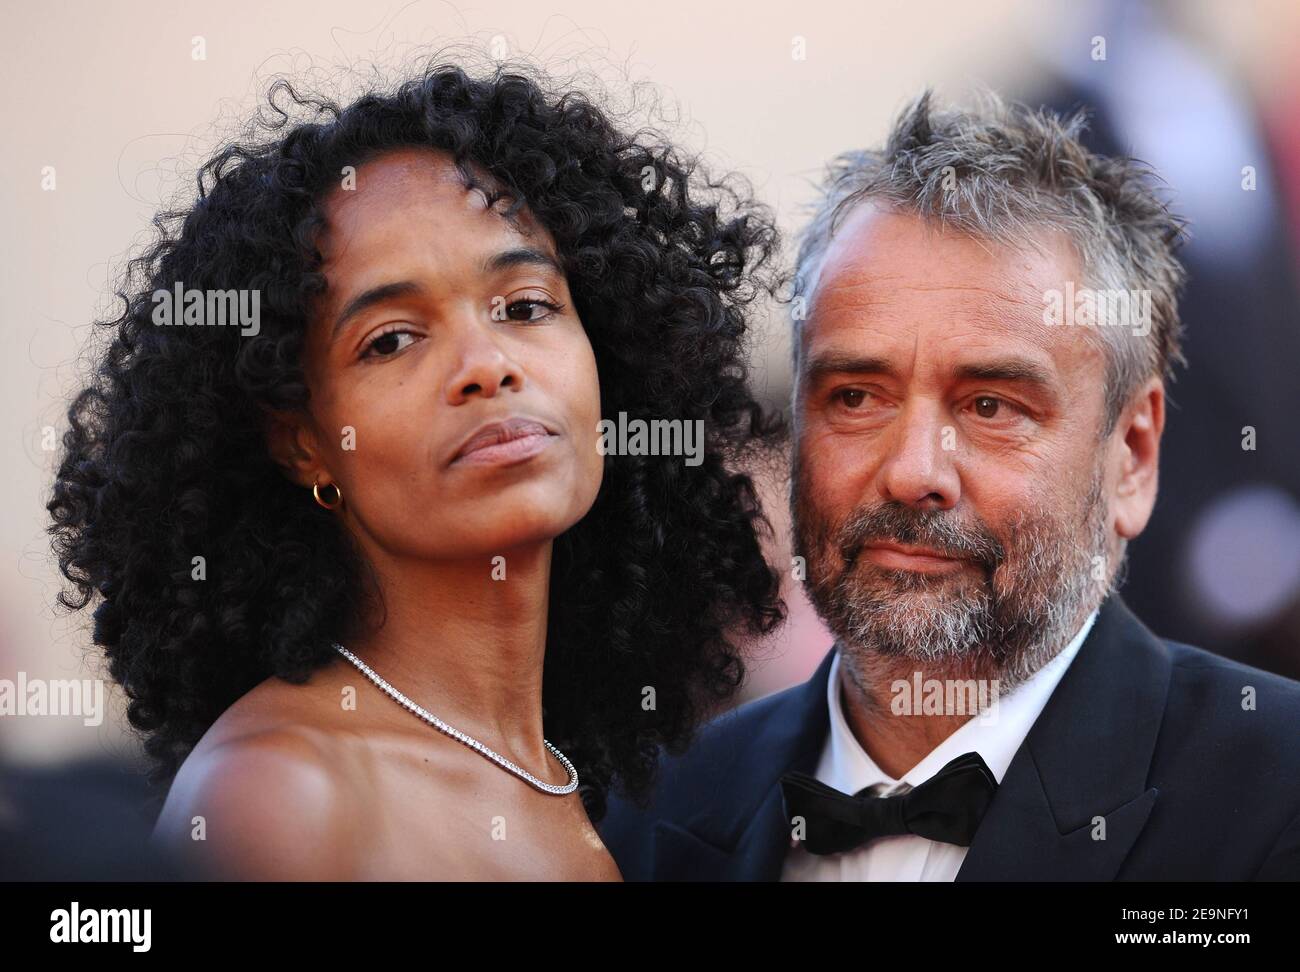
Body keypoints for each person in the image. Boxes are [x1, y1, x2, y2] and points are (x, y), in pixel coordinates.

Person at [47, 60, 785, 880]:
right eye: (392, 339)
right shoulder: (282, 796)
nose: (487, 364)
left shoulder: (583, 793)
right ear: (303, 443)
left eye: (526, 306)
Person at [596, 92, 1300, 881]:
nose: (913, 472)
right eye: (857, 398)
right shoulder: (644, 823)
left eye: (992, 406)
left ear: (1131, 456)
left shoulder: (1276, 798)